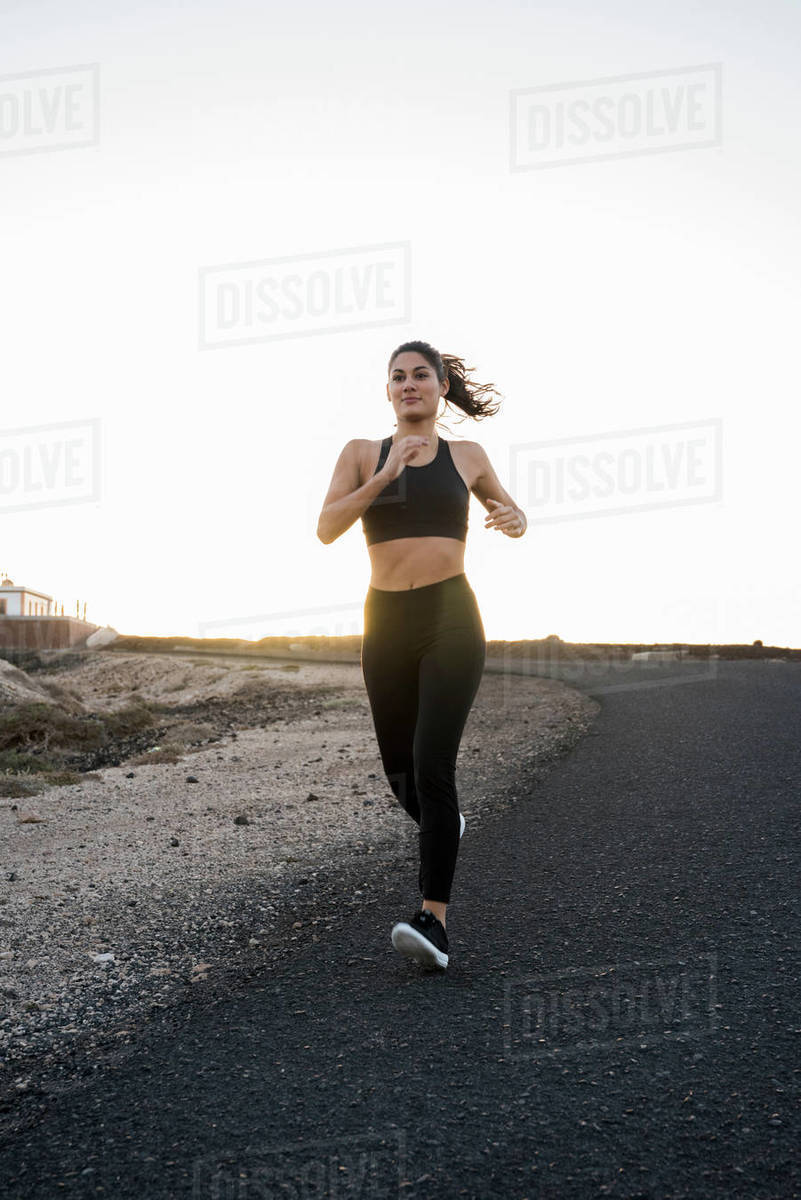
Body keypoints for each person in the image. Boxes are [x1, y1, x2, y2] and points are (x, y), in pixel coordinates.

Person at [317, 340, 526, 970]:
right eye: (398, 377)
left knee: (433, 765)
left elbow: (507, 509)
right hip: (384, 620)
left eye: (420, 376)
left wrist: (513, 517)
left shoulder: (467, 455)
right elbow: (327, 528)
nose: (409, 385)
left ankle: (433, 922)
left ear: (439, 390)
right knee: (400, 771)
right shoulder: (360, 454)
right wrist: (386, 475)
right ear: (387, 392)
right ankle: (445, 826)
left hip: (449, 616)